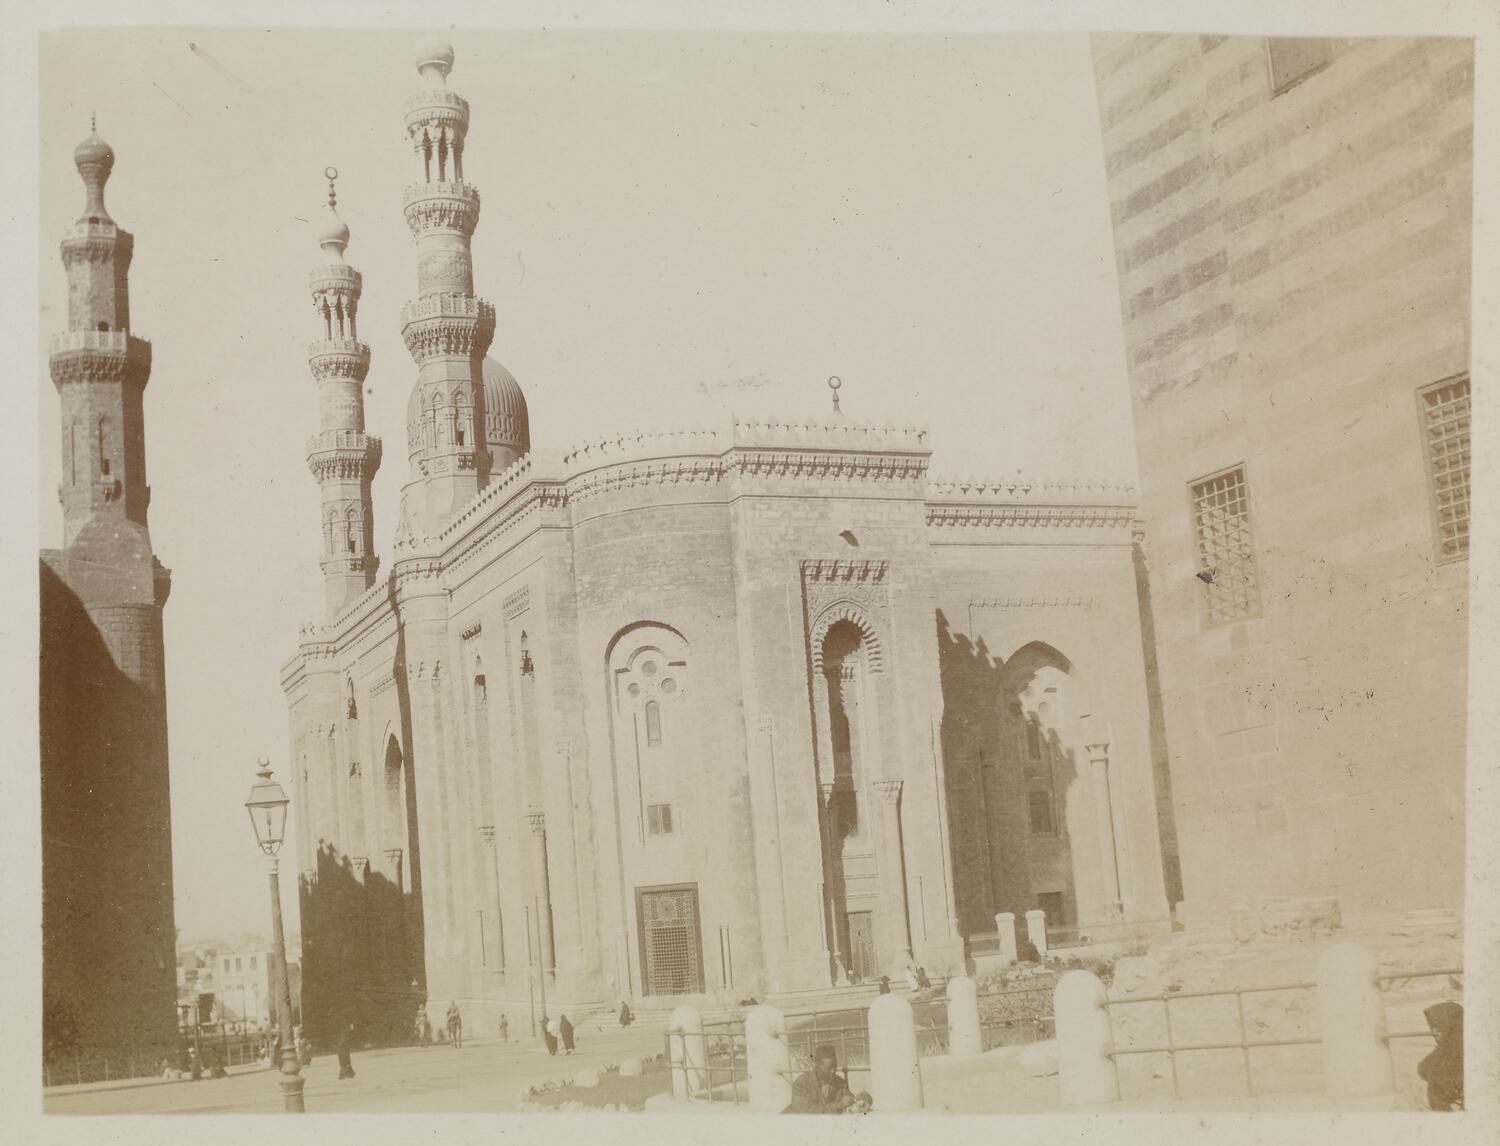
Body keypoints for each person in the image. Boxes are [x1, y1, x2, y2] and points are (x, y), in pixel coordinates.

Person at [787, 1044, 860, 1114]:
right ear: (817, 1066)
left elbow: (850, 1098)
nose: (833, 1071)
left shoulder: (839, 1082)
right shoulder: (801, 1083)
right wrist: (837, 1105)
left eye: (835, 1067)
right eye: (829, 1068)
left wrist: (860, 1099)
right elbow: (805, 1111)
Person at [1417, 1001, 1463, 1111]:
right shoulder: (1442, 1052)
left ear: (1451, 1025)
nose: (1434, 1031)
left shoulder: (1462, 1055)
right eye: (1432, 1026)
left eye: (1438, 1025)